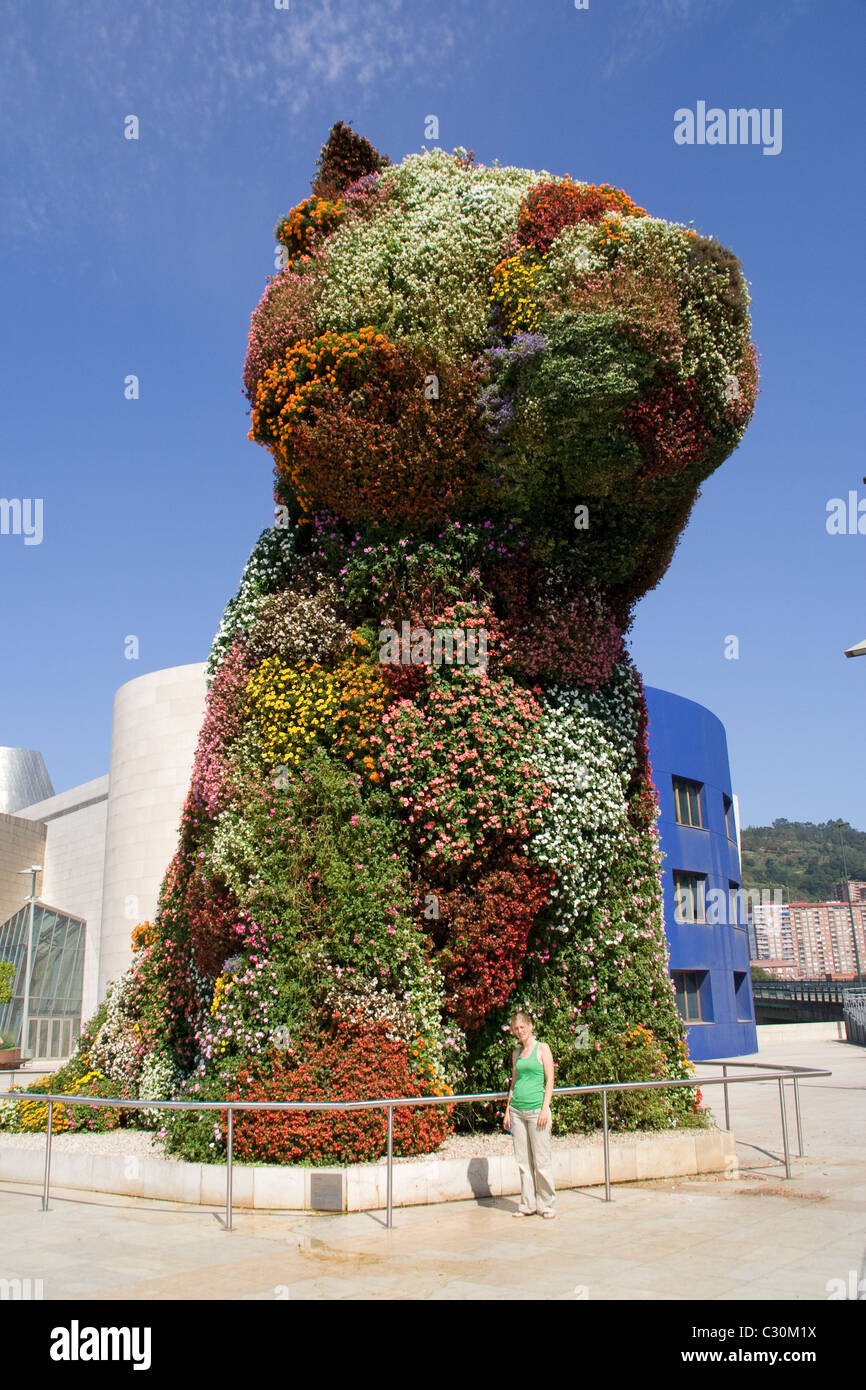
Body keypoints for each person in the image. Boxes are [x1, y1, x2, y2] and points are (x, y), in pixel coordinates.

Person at [503, 1010, 556, 1218]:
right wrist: (508, 1110)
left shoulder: (542, 1049)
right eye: (516, 1029)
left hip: (536, 1110)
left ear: (530, 1026)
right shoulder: (516, 1053)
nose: (520, 1031)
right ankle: (527, 1203)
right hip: (517, 1111)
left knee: (542, 1161)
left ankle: (547, 1204)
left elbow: (550, 1081)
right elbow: (514, 1083)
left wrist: (545, 1109)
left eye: (522, 1027)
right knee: (523, 1161)